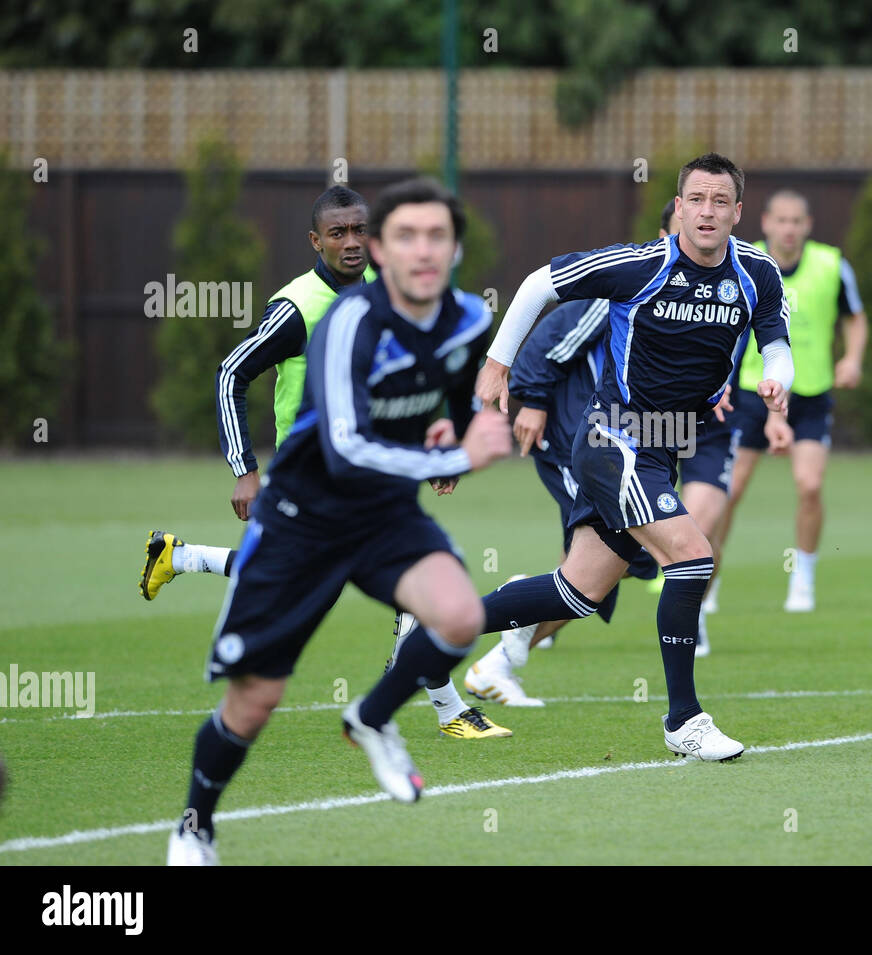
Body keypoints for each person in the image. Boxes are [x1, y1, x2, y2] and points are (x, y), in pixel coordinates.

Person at [166, 177, 514, 865]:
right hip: (302, 515)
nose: (422, 250)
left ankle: (371, 717)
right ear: (385, 249)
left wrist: (457, 434)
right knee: (255, 699)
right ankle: (194, 826)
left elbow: (456, 391)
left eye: (437, 236)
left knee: (459, 615)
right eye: (405, 236)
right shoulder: (344, 319)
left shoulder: (468, 317)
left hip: (383, 512)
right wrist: (453, 453)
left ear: (454, 248)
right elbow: (345, 445)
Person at [472, 153, 793, 761]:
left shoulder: (756, 273)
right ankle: (684, 720)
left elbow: (776, 342)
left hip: (664, 443)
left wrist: (778, 379)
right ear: (678, 206)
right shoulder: (641, 265)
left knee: (579, 591)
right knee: (693, 557)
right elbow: (541, 283)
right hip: (613, 438)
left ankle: (441, 620)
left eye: (720, 201)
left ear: (737, 212)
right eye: (696, 199)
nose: (707, 211)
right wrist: (500, 363)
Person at [711, 189, 867, 613]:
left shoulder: (831, 266)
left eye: (796, 221)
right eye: (781, 220)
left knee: (810, 485)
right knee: (728, 491)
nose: (789, 229)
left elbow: (855, 318)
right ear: (764, 222)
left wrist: (852, 359)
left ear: (808, 225)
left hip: (810, 394)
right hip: (750, 391)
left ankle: (803, 578)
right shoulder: (742, 260)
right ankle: (708, 581)